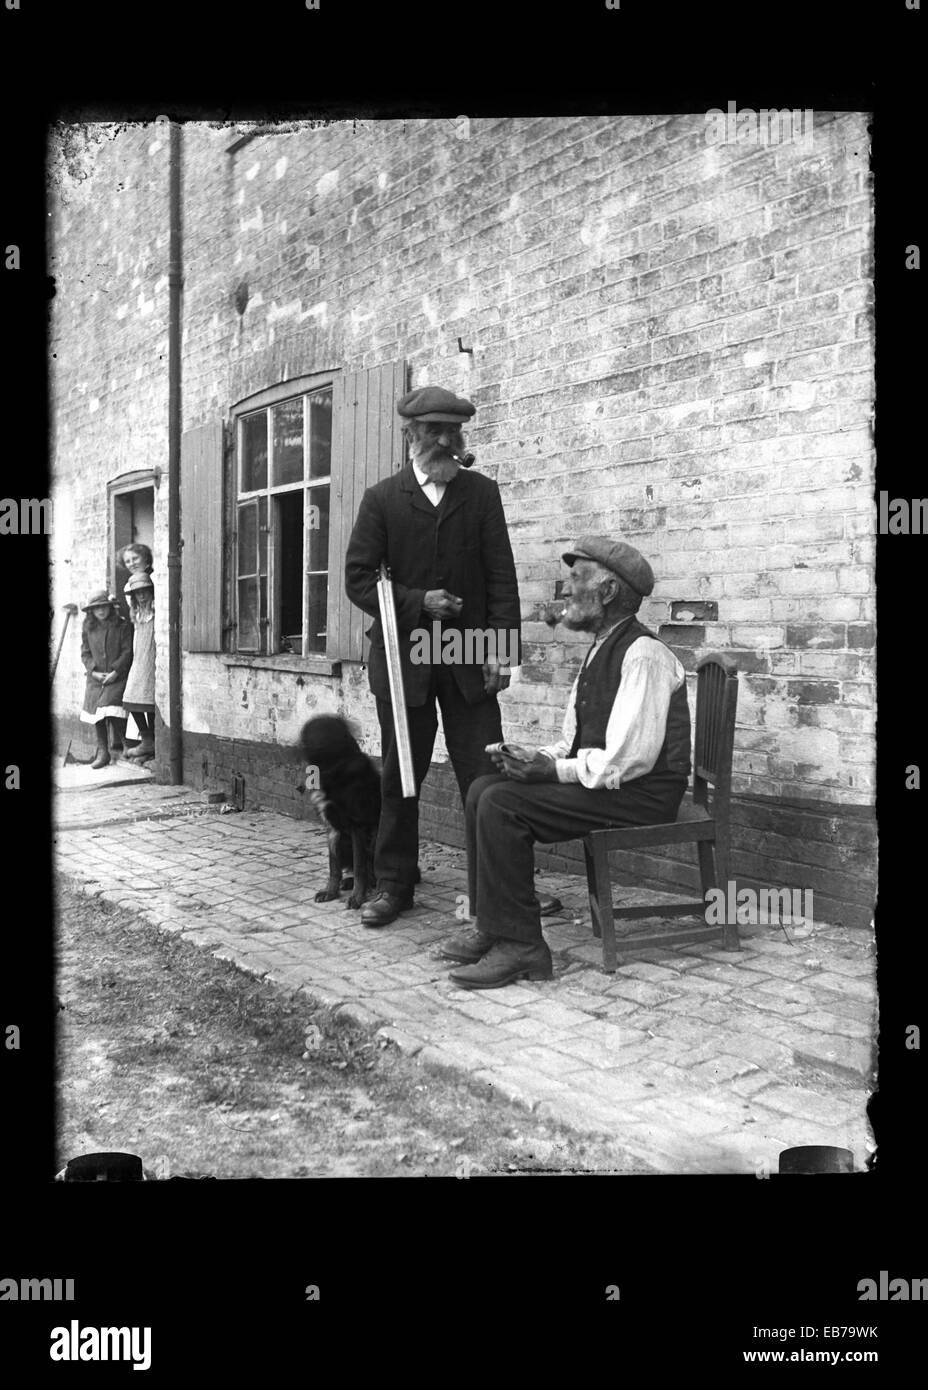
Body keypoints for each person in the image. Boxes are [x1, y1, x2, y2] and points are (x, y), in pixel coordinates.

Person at [440, 536, 693, 989]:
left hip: (641, 795)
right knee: (483, 788)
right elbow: (576, 741)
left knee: (502, 805)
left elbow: (627, 760)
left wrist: (550, 771)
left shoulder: (644, 655)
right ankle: (496, 927)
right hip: (613, 785)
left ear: (609, 592)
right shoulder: (602, 648)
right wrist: (537, 758)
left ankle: (524, 949)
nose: (565, 591)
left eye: (576, 580)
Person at [344, 385, 522, 927]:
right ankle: (395, 885)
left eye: (454, 430)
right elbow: (356, 580)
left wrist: (501, 651)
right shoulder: (382, 498)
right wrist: (419, 601)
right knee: (403, 775)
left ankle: (498, 889)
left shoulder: (482, 494)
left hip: (469, 653)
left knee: (485, 776)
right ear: (410, 436)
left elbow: (501, 578)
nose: (446, 440)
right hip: (405, 659)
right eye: (434, 431)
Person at [79, 590, 133, 769]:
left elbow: (127, 651)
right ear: (91, 612)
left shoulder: (122, 626)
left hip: (117, 677)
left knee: (111, 706)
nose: (101, 611)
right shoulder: (88, 628)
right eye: (96, 608)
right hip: (96, 679)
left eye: (104, 607)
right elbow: (85, 653)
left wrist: (116, 672)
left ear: (110, 608)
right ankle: (103, 752)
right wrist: (93, 671)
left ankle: (127, 744)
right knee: (96, 712)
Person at [122, 572, 157, 760]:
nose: (142, 596)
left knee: (149, 699)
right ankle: (147, 738)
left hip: (153, 658)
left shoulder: (156, 608)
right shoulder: (136, 612)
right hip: (139, 658)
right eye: (138, 593)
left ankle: (151, 743)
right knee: (130, 698)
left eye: (145, 591)